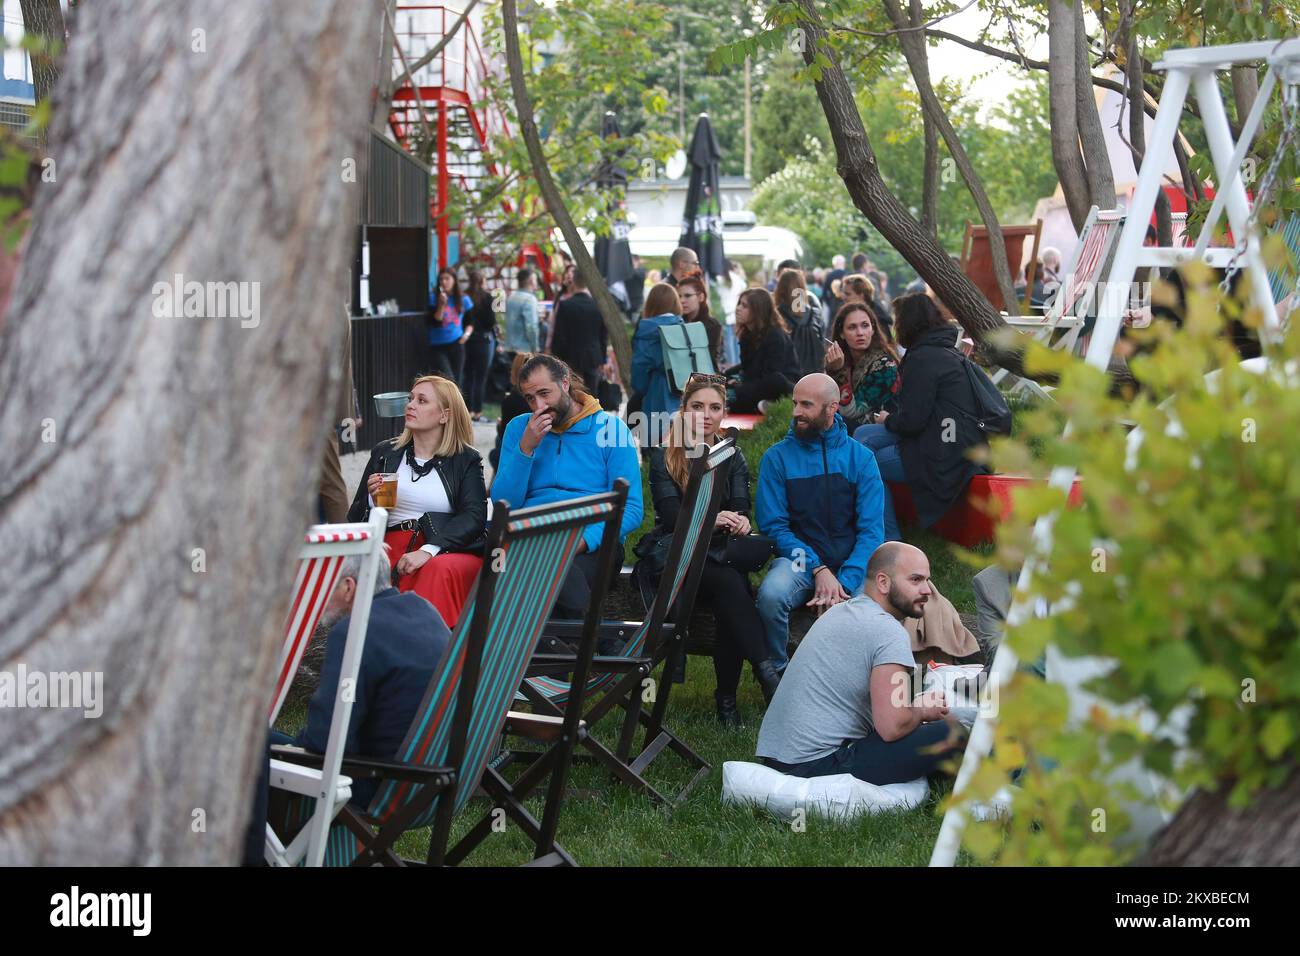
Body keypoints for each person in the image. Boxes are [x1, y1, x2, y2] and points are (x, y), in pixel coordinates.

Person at [755, 542, 966, 785]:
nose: (928, 590)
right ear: (883, 582)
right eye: (916, 580)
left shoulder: (841, 611)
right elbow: (891, 727)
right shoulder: (887, 631)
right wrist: (921, 710)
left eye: (927, 580)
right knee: (951, 733)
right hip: (814, 765)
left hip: (779, 758)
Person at [638, 374, 783, 725]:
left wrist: (742, 522)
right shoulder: (665, 455)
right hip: (680, 559)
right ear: (684, 410)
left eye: (715, 408)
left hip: (717, 556)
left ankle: (741, 694)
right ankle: (756, 686)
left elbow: (740, 505)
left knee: (728, 585)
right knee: (731, 583)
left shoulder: (730, 454)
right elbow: (672, 516)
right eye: (698, 407)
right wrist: (714, 517)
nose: (706, 415)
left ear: (724, 412)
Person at [492, 354, 644, 620]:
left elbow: (631, 508)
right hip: (530, 537)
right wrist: (525, 449)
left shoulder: (611, 429)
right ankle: (601, 646)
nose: (538, 405)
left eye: (544, 393)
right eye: (530, 398)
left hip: (593, 543)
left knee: (553, 567)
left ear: (564, 384)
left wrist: (581, 542)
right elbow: (503, 503)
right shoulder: (519, 429)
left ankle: (593, 645)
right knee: (500, 565)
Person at [754, 373, 886, 671]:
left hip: (851, 563)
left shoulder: (861, 458)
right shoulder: (776, 458)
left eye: (806, 405)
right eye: (795, 403)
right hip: (799, 561)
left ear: (832, 408)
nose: (796, 412)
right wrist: (817, 568)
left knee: (876, 608)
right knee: (772, 595)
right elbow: (774, 527)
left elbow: (871, 532)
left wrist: (845, 583)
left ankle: (861, 680)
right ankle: (777, 673)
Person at [348, 375, 487, 629]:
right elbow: (355, 518)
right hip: (389, 545)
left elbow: (474, 517)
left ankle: (433, 657)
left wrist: (428, 550)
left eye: (422, 401)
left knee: (437, 570)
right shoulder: (385, 453)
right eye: (411, 399)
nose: (410, 405)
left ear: (444, 415)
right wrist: (372, 499)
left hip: (444, 548)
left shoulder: (465, 459)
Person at [852, 293, 993, 542]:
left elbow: (912, 422)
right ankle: (868, 525)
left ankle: (888, 540)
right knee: (863, 436)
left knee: (867, 464)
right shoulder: (942, 351)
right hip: (955, 440)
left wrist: (887, 420)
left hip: (946, 453)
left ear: (908, 323)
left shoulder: (923, 358)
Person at [824, 301, 900, 432]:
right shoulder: (843, 361)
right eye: (852, 327)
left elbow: (851, 413)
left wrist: (837, 371)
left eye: (865, 326)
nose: (860, 333)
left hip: (880, 432)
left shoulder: (884, 365)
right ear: (841, 333)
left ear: (873, 329)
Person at [726, 287, 800, 414]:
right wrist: (724, 377)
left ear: (757, 310)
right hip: (759, 384)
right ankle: (763, 405)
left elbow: (771, 377)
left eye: (744, 306)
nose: (738, 308)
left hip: (783, 386)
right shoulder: (747, 335)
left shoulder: (775, 335)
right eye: (739, 304)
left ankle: (775, 405)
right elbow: (748, 368)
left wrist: (739, 390)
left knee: (774, 380)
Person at [631, 283, 687, 432]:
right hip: (685, 395)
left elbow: (639, 378)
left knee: (656, 445)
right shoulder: (684, 328)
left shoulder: (646, 332)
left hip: (657, 395)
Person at [549, 268, 611, 392]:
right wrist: (603, 358)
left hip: (570, 356)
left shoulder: (565, 305)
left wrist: (556, 356)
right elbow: (603, 335)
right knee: (592, 394)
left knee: (571, 392)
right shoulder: (598, 306)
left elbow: (560, 335)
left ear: (574, 282)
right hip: (592, 356)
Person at [461, 270, 496, 421]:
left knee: (467, 376)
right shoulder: (488, 297)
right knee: (480, 378)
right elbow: (491, 321)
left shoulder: (464, 296)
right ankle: (478, 411)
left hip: (467, 340)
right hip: (483, 340)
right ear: (482, 281)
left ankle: (467, 409)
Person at [490, 351, 533, 472]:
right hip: (529, 446)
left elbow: (505, 433)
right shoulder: (538, 398)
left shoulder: (511, 399)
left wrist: (501, 424)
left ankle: (495, 482)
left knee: (499, 440)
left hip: (516, 450)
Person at [428, 267, 471, 385]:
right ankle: (448, 403)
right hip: (437, 346)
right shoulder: (433, 297)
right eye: (441, 279)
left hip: (457, 343)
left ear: (454, 280)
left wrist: (466, 336)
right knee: (448, 380)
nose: (444, 282)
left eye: (447, 278)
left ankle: (458, 404)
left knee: (458, 380)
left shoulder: (464, 299)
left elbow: (470, 322)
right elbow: (435, 322)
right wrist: (441, 305)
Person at [677, 272, 723, 369]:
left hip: (705, 379)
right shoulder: (676, 323)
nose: (682, 300)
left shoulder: (713, 325)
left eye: (687, 296)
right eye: (679, 296)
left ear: (701, 297)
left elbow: (708, 360)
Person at [717, 258, 746, 368]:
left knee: (728, 342)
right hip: (736, 314)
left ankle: (732, 365)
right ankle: (738, 364)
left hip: (725, 315)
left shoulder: (719, 279)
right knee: (736, 342)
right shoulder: (737, 278)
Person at [503, 268, 540, 355]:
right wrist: (535, 348)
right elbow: (531, 326)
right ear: (531, 281)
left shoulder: (511, 297)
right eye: (535, 279)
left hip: (509, 346)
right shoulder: (529, 299)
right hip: (524, 349)